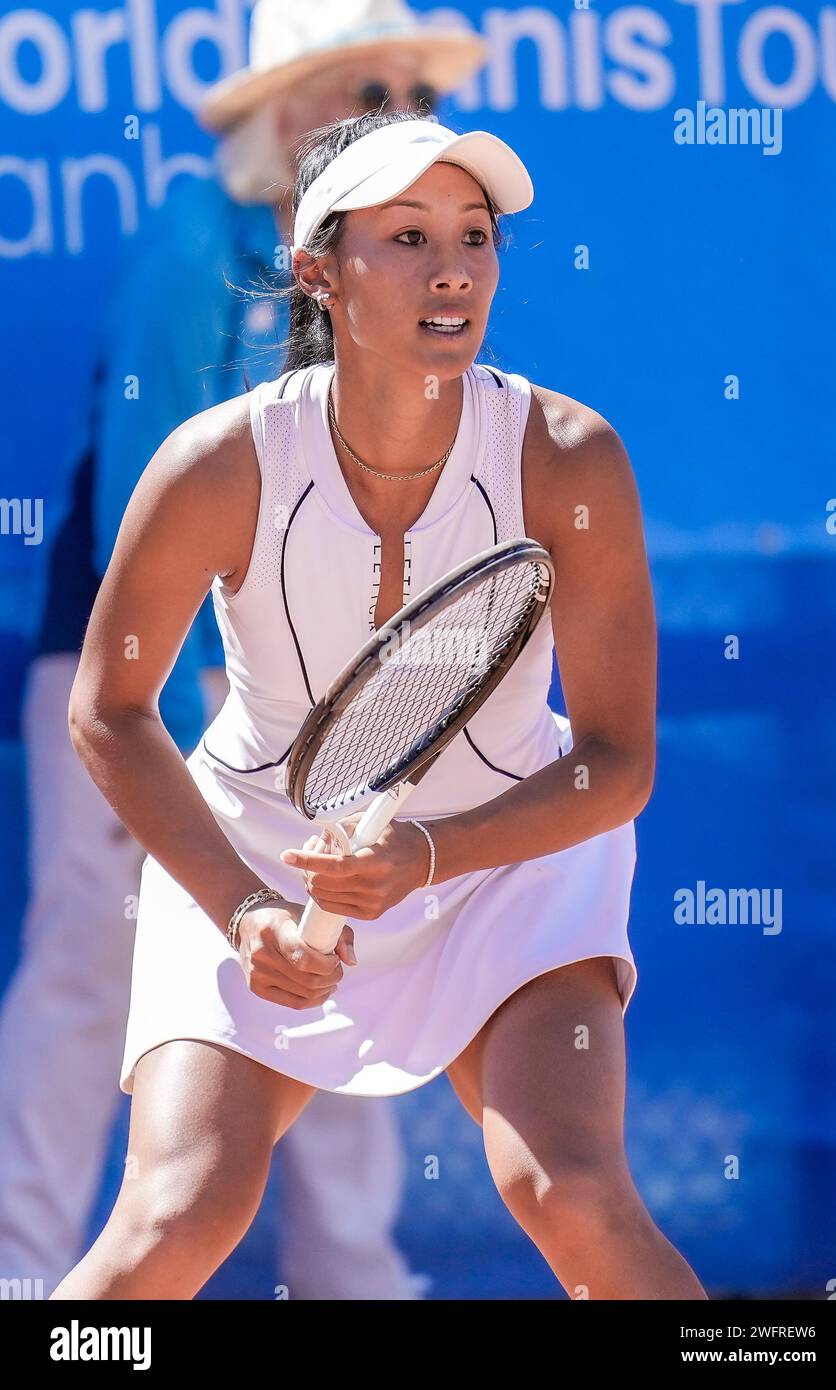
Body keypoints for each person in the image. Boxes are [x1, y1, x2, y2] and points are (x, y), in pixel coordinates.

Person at [51, 109, 707, 1300]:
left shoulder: (569, 456)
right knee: (168, 1221)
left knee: (566, 1189)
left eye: (473, 235)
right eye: (406, 236)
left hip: (509, 862)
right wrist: (246, 906)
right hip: (259, 856)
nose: (452, 266)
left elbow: (613, 764)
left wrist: (429, 852)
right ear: (317, 269)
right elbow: (110, 710)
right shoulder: (216, 463)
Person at [1, 0, 487, 1301]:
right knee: (87, 962)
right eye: (364, 87)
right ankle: (20, 1274)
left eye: (409, 91)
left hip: (312, 682)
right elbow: (134, 521)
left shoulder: (398, 275)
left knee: (328, 961)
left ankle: (353, 1280)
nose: (397, 112)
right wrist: (165, 733)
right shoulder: (188, 247)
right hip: (136, 668)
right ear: (288, 117)